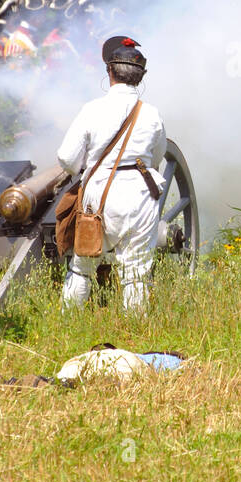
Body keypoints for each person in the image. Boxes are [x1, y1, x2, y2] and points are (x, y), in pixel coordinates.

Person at [56, 36, 167, 313]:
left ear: (110, 72)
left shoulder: (91, 110)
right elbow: (158, 156)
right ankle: (135, 331)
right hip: (140, 195)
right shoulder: (152, 114)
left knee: (82, 267)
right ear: (140, 77)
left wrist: (82, 168)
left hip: (99, 194)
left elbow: (67, 159)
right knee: (137, 273)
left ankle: (68, 322)